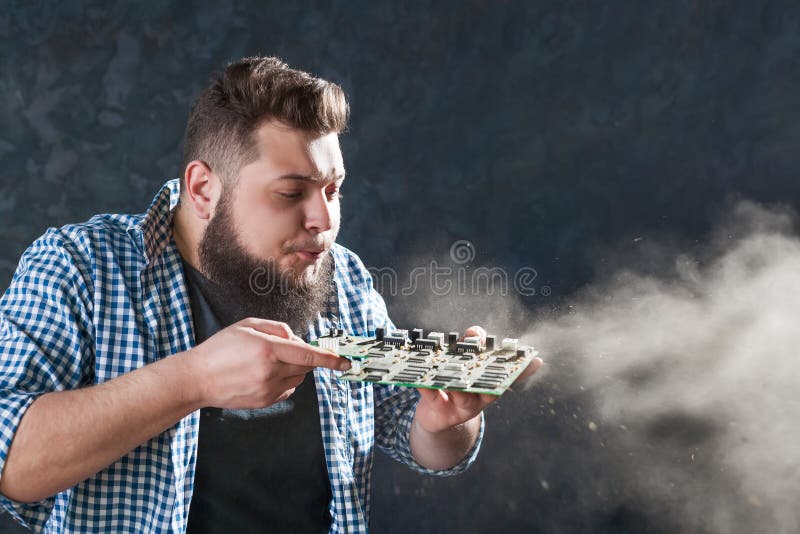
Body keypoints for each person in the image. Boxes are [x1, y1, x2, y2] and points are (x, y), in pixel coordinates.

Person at [0, 56, 542, 533]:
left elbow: (416, 434)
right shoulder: (80, 266)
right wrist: (191, 380)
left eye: (334, 190)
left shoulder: (343, 278)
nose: (324, 221)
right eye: (292, 193)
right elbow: (10, 460)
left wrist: (449, 420)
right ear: (203, 189)